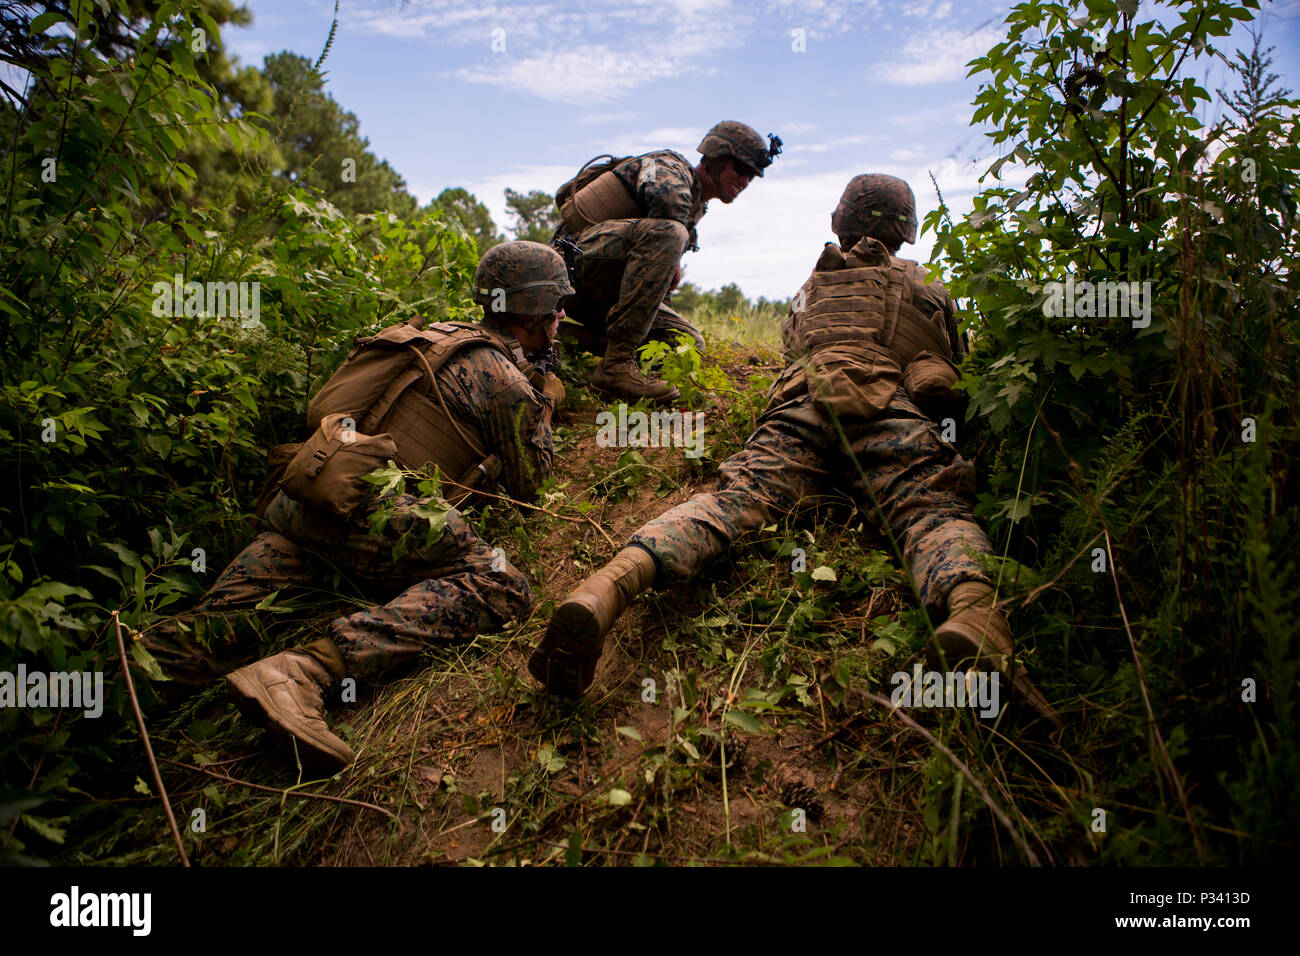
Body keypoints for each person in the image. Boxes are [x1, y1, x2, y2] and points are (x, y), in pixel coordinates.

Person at [529, 175, 1060, 726]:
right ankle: (975, 621)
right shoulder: (925, 285)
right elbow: (952, 373)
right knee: (930, 510)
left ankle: (606, 588)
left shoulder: (813, 286)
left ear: (841, 221)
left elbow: (792, 347)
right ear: (906, 227)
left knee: (731, 501)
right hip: (887, 411)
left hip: (800, 412)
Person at [140, 241, 571, 771]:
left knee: (212, 630)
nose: (562, 319)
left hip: (302, 499)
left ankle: (89, 702)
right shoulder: (506, 382)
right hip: (370, 515)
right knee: (503, 582)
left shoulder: (434, 338)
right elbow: (531, 491)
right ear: (536, 311)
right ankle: (305, 673)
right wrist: (544, 400)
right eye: (557, 309)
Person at [552, 121, 782, 403]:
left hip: (608, 294)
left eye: (752, 176)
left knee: (687, 343)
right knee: (671, 234)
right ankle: (616, 365)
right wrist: (676, 244)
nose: (745, 181)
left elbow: (653, 281)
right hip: (572, 268)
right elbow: (662, 194)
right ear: (715, 157)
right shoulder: (664, 164)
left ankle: (567, 340)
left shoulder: (695, 209)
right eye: (741, 169)